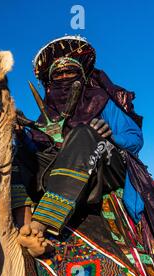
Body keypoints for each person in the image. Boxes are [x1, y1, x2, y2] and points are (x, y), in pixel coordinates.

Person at [12, 36, 146, 258]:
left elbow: (136, 138)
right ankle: (26, 229)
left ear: (82, 78)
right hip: (59, 169)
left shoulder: (102, 102)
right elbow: (36, 155)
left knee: (83, 133)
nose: (64, 77)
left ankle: (42, 223)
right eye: (58, 74)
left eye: (71, 73)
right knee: (16, 155)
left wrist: (111, 135)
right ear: (49, 82)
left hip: (105, 168)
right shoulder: (44, 118)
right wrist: (19, 137)